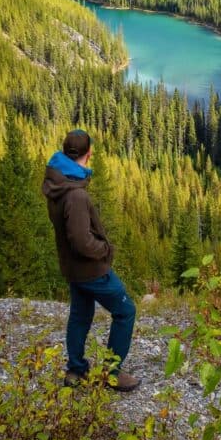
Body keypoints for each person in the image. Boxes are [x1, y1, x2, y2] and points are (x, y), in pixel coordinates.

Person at [42, 128, 140, 391]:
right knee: (125, 311)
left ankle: (76, 370)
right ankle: (112, 373)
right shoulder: (75, 194)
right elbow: (81, 240)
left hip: (73, 267)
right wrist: (104, 250)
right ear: (88, 154)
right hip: (91, 269)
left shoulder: (58, 183)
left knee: (80, 315)